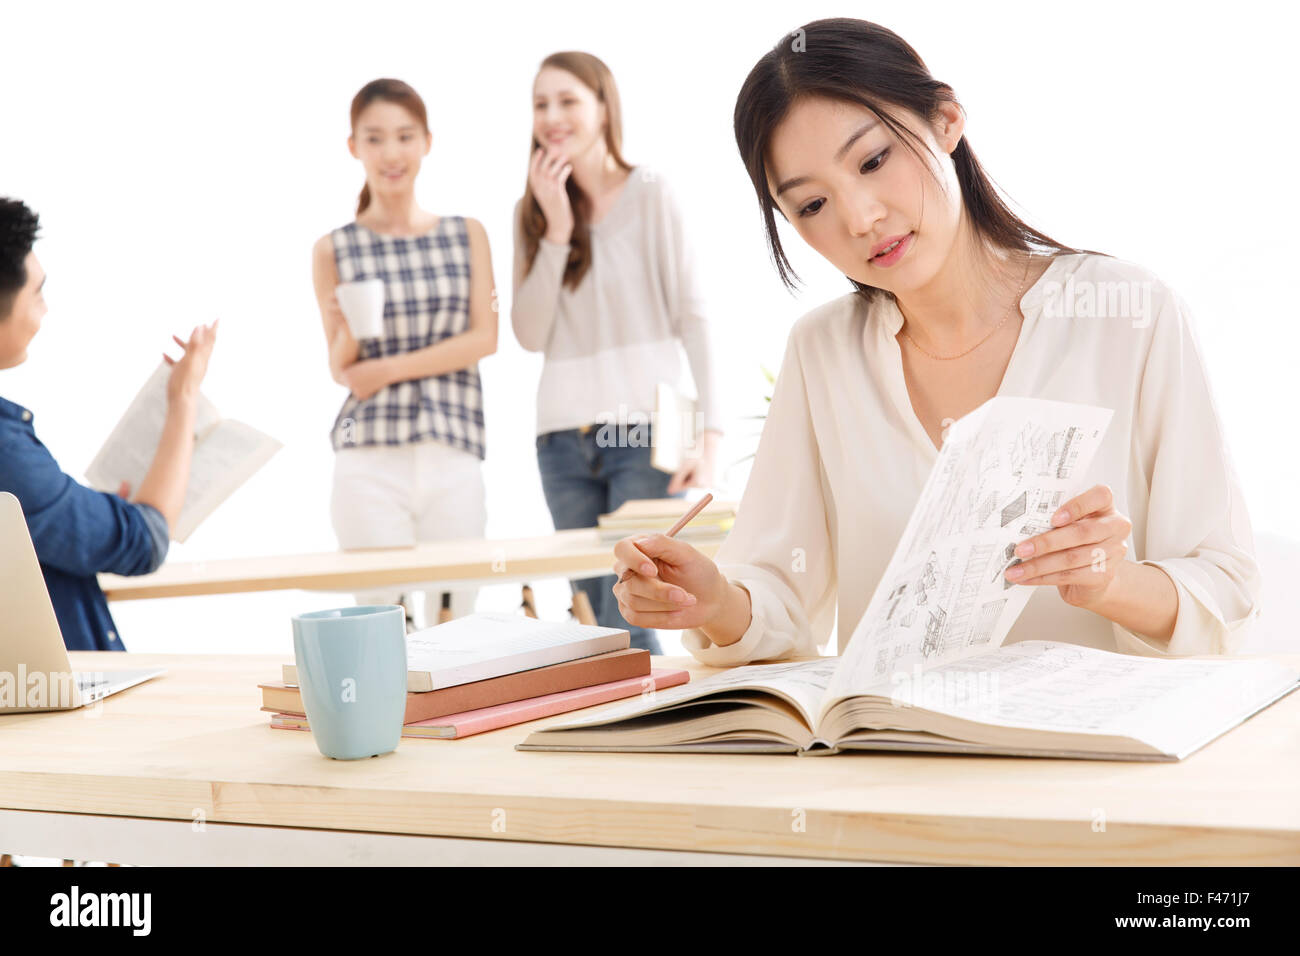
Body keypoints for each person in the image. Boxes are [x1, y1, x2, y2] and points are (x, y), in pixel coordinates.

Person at [611, 18, 1261, 665]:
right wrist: (711, 601)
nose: (861, 218)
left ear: (946, 120)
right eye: (811, 206)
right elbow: (776, 595)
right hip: (898, 756)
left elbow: (1227, 592)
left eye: (872, 161)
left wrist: (1111, 583)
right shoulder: (824, 351)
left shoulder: (1129, 315)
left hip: (1098, 758)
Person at [512, 52, 724, 654]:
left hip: (652, 428)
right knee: (596, 620)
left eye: (568, 100)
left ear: (604, 107)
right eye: (540, 103)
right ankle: (612, 737)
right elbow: (529, 333)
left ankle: (648, 735)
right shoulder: (530, 213)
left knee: (638, 607)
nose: (552, 116)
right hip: (560, 438)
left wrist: (710, 438)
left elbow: (695, 316)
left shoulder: (651, 192)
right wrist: (555, 229)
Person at [311, 79, 497, 627]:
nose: (391, 153)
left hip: (454, 448)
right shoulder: (333, 248)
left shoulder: (468, 234)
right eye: (375, 138)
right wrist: (349, 328)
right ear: (354, 147)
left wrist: (389, 368)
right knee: (380, 627)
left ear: (426, 142)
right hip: (368, 460)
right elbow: (342, 368)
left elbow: (484, 338)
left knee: (457, 622)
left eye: (404, 136)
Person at [0, 197, 217, 651]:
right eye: (37, 293)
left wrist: (82, 511)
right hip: (45, 710)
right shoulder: (6, 451)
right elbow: (145, 540)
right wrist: (182, 400)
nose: (45, 310)